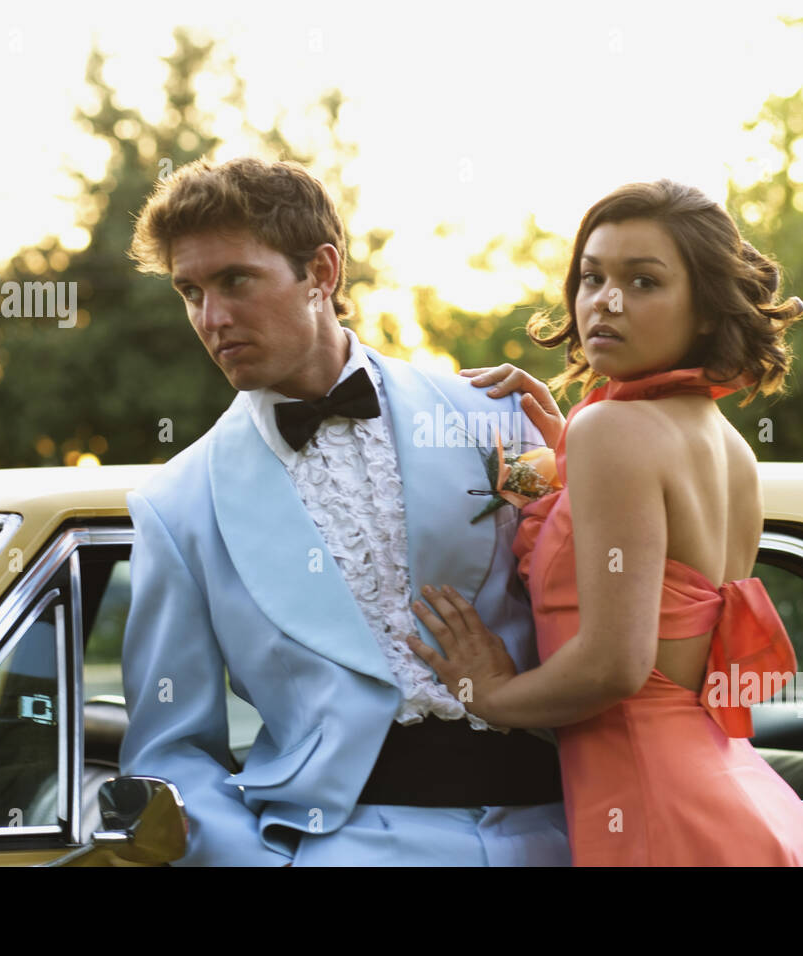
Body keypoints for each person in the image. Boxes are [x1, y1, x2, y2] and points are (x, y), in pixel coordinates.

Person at [118, 155, 569, 866]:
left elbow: (592, 613)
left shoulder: (495, 418)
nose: (212, 317)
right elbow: (169, 754)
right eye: (190, 291)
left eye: (235, 280)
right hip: (342, 845)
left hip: (558, 832)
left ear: (321, 273)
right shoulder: (176, 505)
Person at [407, 180, 803, 866]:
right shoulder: (727, 444)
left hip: (658, 815)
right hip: (744, 803)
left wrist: (489, 694)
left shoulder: (614, 431)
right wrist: (554, 447)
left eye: (643, 281)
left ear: (704, 310)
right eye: (592, 277)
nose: (605, 301)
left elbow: (616, 663)